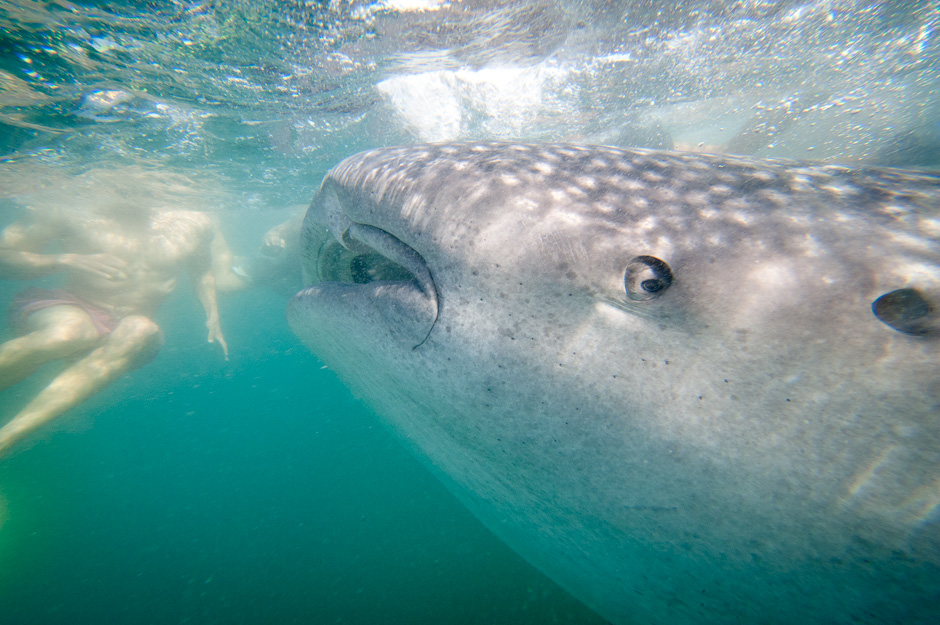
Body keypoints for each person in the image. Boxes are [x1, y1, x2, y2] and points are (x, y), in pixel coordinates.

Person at [0, 197, 237, 456]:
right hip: (69, 305)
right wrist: (65, 259)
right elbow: (5, 256)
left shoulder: (194, 219)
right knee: (67, 333)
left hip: (128, 323)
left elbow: (201, 268)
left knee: (140, 330)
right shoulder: (68, 203)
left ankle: (8, 436)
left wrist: (213, 315)